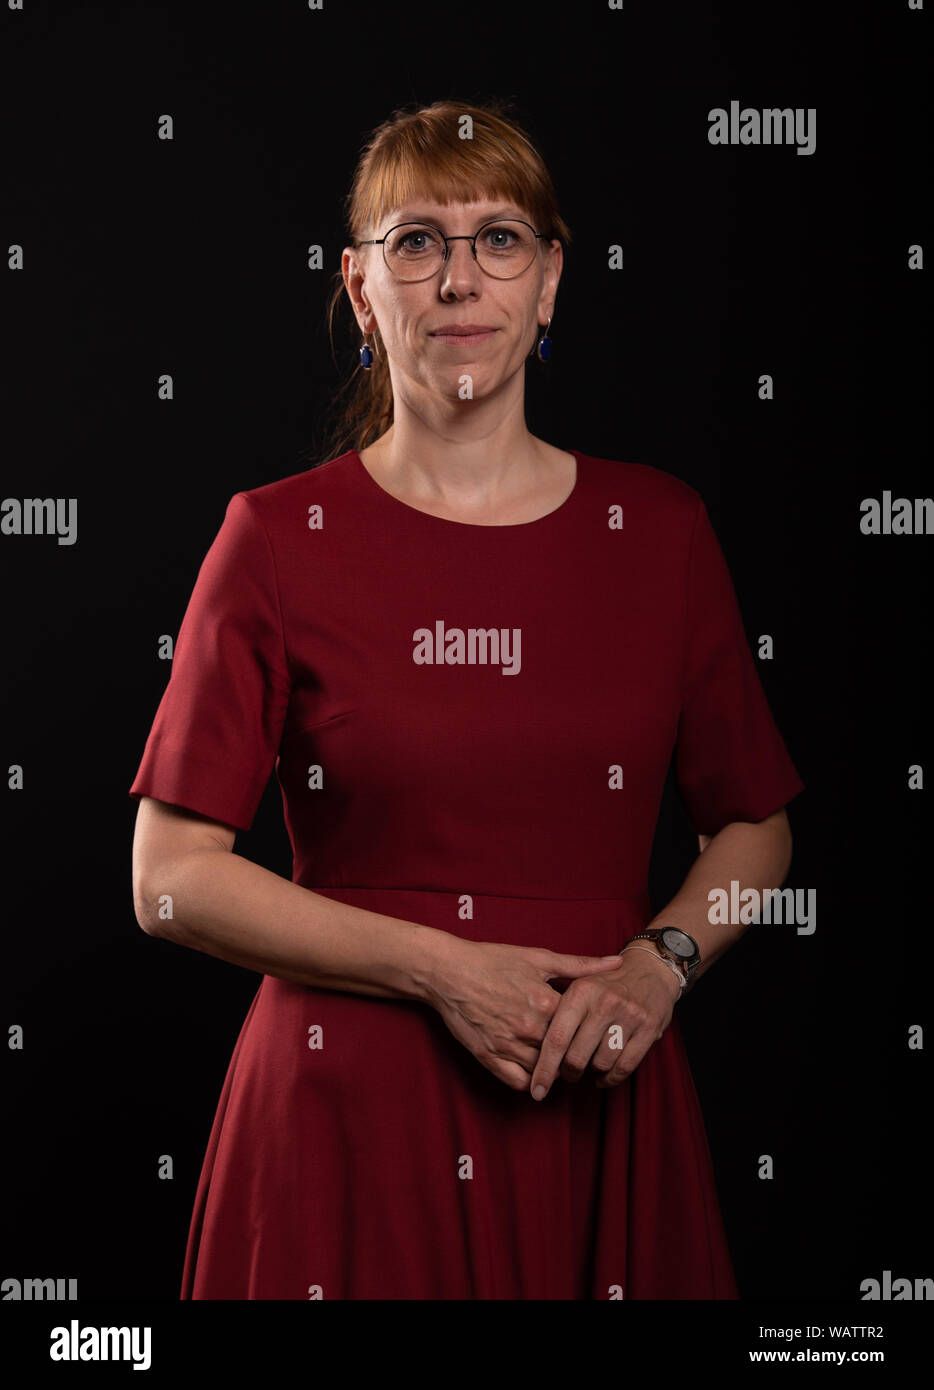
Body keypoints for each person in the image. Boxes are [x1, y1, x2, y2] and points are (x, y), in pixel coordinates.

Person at [129, 97, 804, 1300]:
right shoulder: (274, 537)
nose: (458, 279)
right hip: (345, 1119)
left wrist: (660, 962)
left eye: (499, 238)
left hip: (598, 1101)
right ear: (359, 287)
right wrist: (444, 969)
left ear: (549, 283)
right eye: (416, 242)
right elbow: (169, 880)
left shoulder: (658, 532)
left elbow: (756, 830)